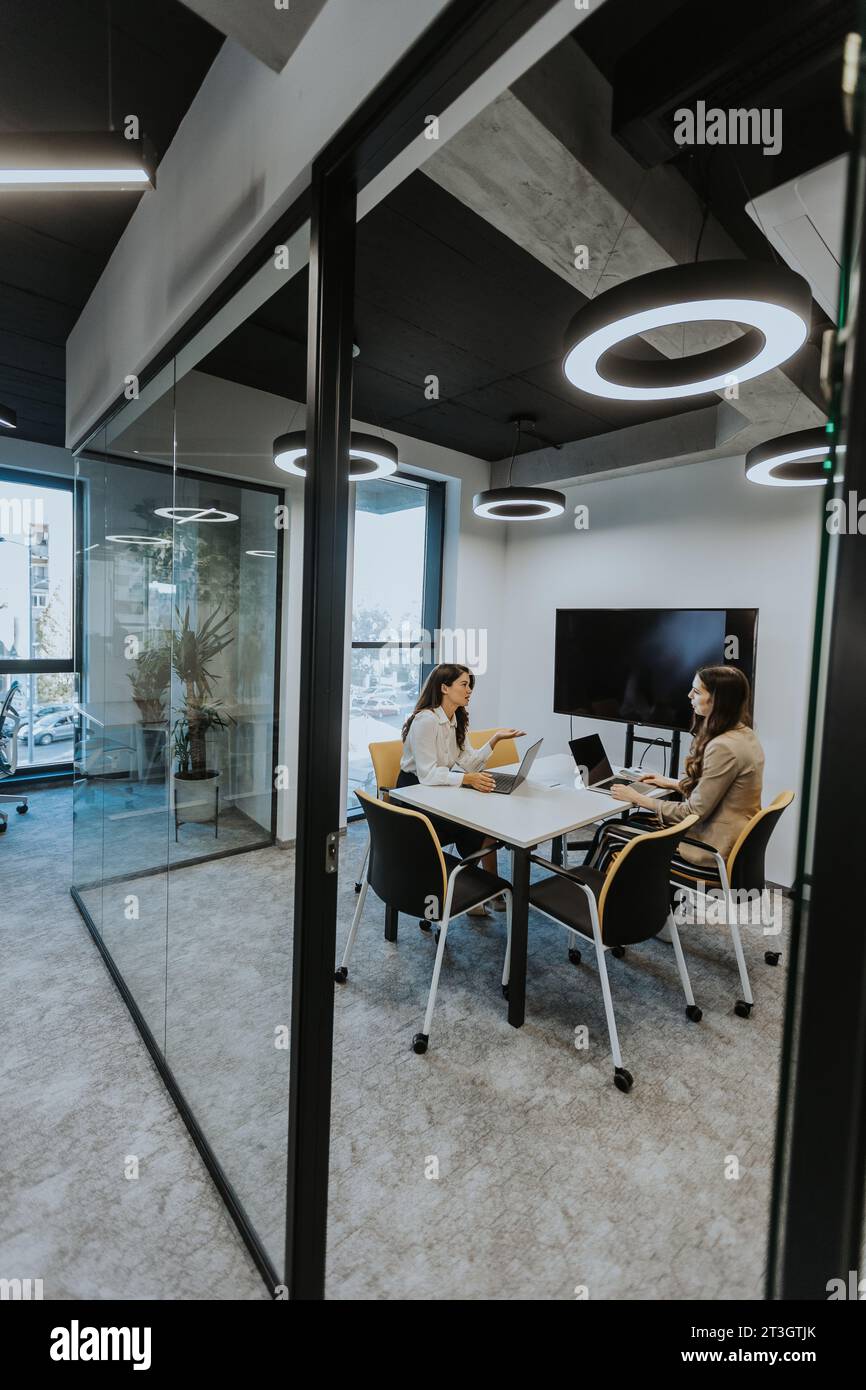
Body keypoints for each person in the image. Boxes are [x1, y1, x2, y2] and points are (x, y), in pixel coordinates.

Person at [604, 665, 764, 869]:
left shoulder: (724, 747)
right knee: (633, 821)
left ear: (718, 700)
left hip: (711, 846)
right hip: (730, 835)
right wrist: (671, 783)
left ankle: (596, 898)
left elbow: (692, 812)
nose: (689, 696)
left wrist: (637, 798)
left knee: (610, 834)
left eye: (696, 692)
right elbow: (715, 790)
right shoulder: (745, 734)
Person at [398, 663, 524, 912]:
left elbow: (469, 763)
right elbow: (427, 775)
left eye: (470, 686)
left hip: (438, 788)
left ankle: (484, 892)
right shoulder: (426, 720)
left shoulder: (456, 718)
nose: (469, 691)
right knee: (476, 824)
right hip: (414, 796)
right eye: (464, 685)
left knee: (485, 824)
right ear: (444, 687)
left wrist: (495, 739)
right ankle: (476, 893)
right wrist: (467, 780)